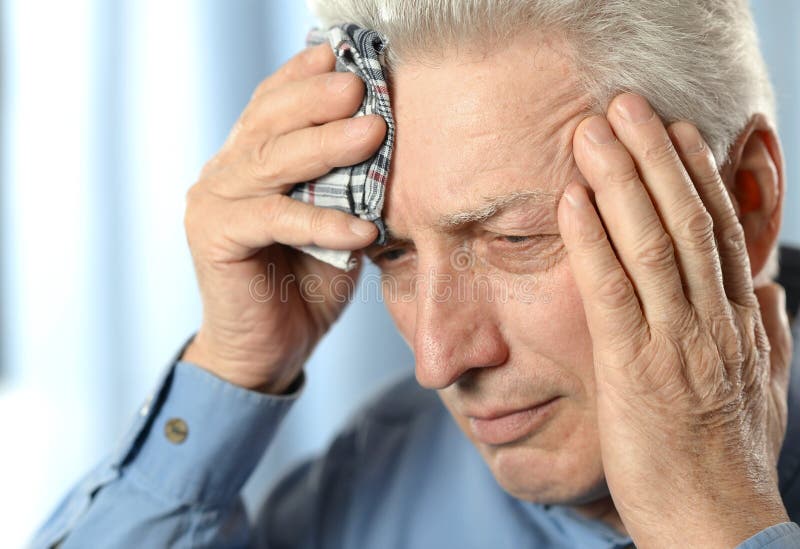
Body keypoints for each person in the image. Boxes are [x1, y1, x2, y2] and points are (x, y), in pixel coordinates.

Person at [32, 1, 800, 547]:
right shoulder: (371, 479)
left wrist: (714, 525)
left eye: (514, 236)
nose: (438, 358)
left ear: (747, 203)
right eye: (393, 253)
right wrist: (236, 362)